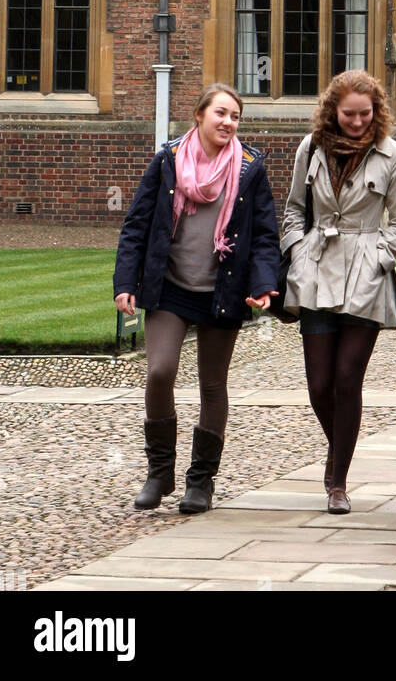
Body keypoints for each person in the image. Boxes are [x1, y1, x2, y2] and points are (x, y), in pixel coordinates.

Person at [113, 83, 279, 514]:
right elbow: (137, 224)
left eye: (235, 116)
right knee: (159, 372)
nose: (228, 122)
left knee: (212, 385)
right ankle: (159, 472)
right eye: (221, 113)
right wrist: (125, 281)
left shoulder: (249, 168)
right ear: (200, 115)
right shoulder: (168, 159)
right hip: (169, 286)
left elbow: (264, 236)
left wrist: (262, 284)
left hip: (222, 291)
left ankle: (200, 482)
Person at [281, 69, 396, 514]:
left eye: (366, 113)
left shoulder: (392, 155)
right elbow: (294, 210)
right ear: (332, 112)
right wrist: (298, 252)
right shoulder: (311, 148)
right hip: (317, 270)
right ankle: (337, 449)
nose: (358, 122)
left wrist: (380, 256)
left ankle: (338, 482)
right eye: (349, 114)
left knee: (346, 379)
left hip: (366, 274)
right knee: (319, 385)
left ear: (377, 111)